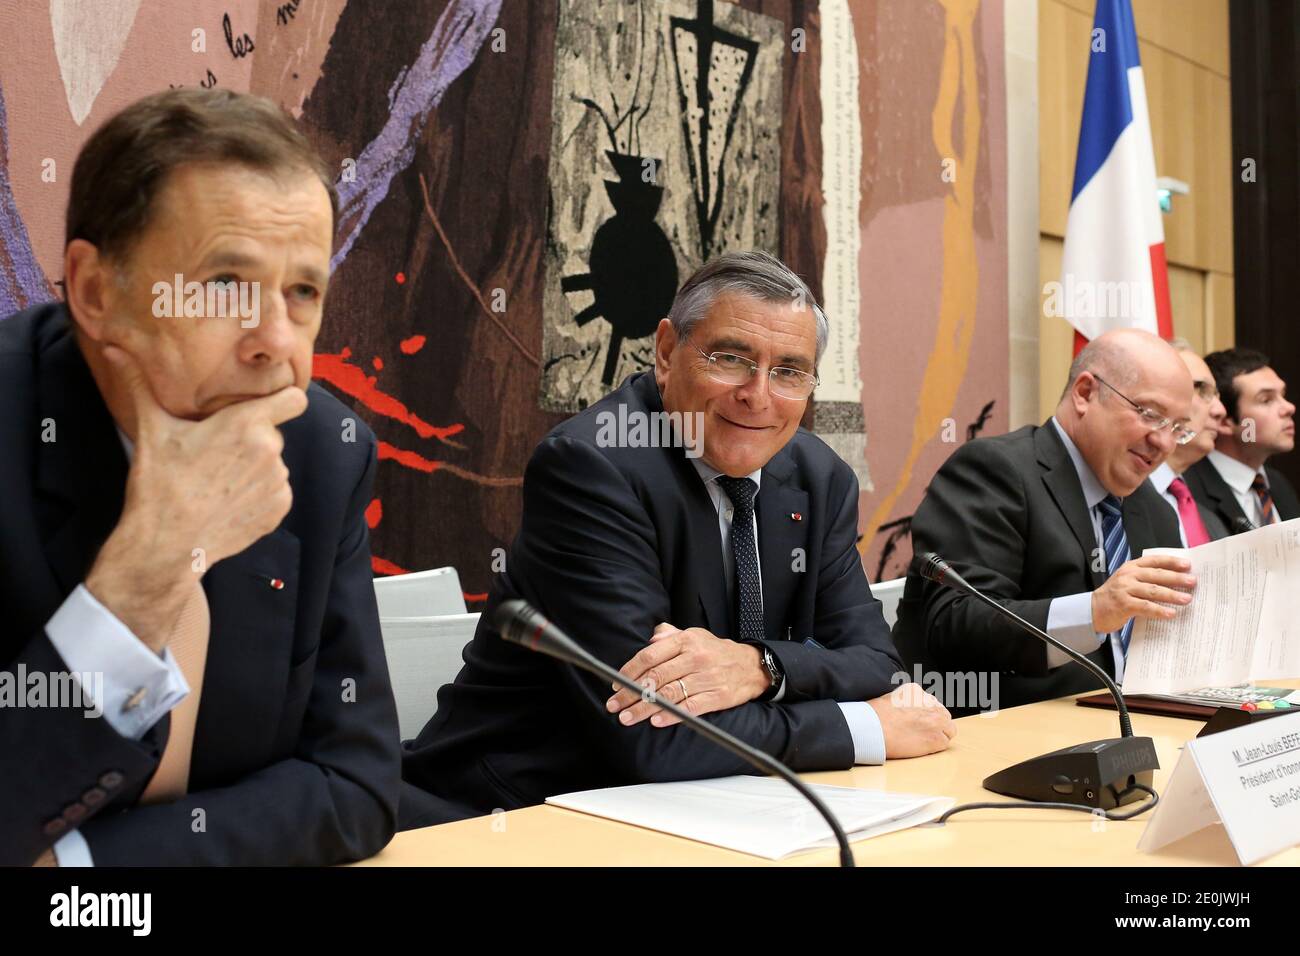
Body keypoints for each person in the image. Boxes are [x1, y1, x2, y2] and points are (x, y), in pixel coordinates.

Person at [402, 251, 954, 818]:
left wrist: (759, 665)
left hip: (713, 811)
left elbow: (874, 665)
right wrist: (856, 727)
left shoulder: (819, 479)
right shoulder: (591, 468)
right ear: (666, 352)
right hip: (516, 812)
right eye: (731, 359)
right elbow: (652, 735)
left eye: (789, 371)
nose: (759, 395)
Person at [0, 88, 401, 865]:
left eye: (304, 293)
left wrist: (89, 873)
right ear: (95, 291)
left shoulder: (322, 448)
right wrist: (151, 566)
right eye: (226, 284)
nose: (277, 344)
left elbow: (354, 783)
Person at [894, 329, 1195, 712]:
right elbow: (956, 624)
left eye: (1177, 427)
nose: (1164, 443)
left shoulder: (1152, 507)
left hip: (1137, 726)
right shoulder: (995, 471)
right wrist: (1093, 612)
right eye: (1150, 415)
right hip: (1001, 735)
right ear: (1085, 393)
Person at [1184, 348, 1298, 533]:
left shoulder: (1277, 483)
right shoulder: (1188, 489)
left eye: (1282, 395)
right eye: (1266, 400)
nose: (1289, 407)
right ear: (1225, 420)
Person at [1145, 340, 1231, 543]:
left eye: (1217, 395)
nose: (1220, 411)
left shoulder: (1211, 520)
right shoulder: (1115, 501)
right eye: (1201, 390)